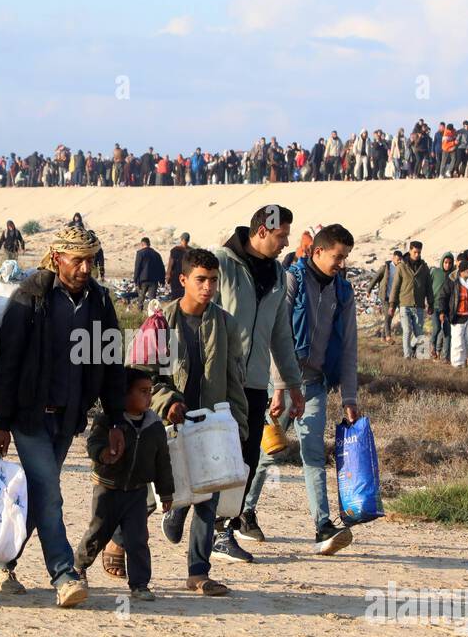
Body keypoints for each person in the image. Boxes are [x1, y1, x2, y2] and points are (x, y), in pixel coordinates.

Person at [0, 223, 126, 608]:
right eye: (77, 260)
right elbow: (7, 364)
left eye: (90, 261)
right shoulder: (30, 296)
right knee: (50, 495)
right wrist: (0, 422)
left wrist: (115, 419)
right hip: (28, 417)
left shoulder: (99, 301)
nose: (84, 269)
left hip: (68, 419)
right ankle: (64, 575)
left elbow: (111, 362)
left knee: (37, 494)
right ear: (57, 257)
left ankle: (1, 563)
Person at [136, 247, 247, 595]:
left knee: (208, 497)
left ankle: (198, 572)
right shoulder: (160, 321)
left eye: (213, 280)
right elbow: (143, 375)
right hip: (165, 425)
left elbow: (233, 380)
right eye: (201, 279)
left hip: (210, 425)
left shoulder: (225, 324)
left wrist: (238, 427)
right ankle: (119, 542)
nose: (208, 287)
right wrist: (167, 401)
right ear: (183, 280)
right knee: (149, 497)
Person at [242, 225, 359, 553]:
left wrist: (350, 397)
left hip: (314, 384)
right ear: (318, 252)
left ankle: (322, 526)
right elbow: (276, 336)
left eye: (345, 257)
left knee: (313, 454)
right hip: (278, 381)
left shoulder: (343, 292)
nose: (341, 263)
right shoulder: (290, 280)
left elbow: (349, 346)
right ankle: (244, 513)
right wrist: (280, 387)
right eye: (337, 256)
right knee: (269, 451)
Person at [212, 204, 304, 562]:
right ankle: (176, 507)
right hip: (217, 379)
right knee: (206, 453)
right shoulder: (221, 264)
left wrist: (289, 384)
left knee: (245, 460)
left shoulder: (279, 276)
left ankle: (223, 531)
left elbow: (280, 334)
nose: (285, 242)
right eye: (281, 235)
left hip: (253, 385)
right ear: (262, 231)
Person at [74, 369, 173, 601]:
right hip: (107, 489)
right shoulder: (107, 420)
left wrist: (166, 492)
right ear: (123, 394)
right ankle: (78, 567)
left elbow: (163, 462)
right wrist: (103, 454)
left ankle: (139, 584)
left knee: (138, 539)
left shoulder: (155, 426)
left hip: (137, 492)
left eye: (150, 392)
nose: (148, 397)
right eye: (142, 392)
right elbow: (93, 443)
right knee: (97, 533)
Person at [438, 257, 468, 369]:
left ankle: (464, 358)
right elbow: (443, 296)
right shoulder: (452, 281)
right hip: (457, 317)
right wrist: (442, 311)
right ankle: (457, 366)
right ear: (462, 271)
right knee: (457, 342)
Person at [390, 240, 433, 359]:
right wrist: (392, 305)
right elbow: (395, 286)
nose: (417, 255)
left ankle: (420, 355)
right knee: (407, 330)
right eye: (415, 252)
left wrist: (431, 303)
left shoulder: (424, 267)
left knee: (419, 334)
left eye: (419, 252)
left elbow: (429, 286)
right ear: (410, 251)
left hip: (419, 305)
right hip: (405, 304)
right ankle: (407, 356)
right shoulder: (402, 266)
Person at [370, 249, 402, 343]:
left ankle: (383, 337)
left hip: (395, 297)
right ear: (393, 258)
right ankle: (388, 337)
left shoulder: (400, 269)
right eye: (397, 259)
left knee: (390, 316)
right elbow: (375, 278)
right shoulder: (385, 267)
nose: (399, 261)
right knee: (388, 315)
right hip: (385, 296)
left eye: (400, 259)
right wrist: (369, 290)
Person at [429, 252, 455, 360]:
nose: (447, 265)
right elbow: (428, 286)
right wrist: (429, 302)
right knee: (437, 327)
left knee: (447, 332)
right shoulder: (435, 272)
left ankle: (446, 357)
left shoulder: (453, 276)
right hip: (435, 306)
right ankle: (432, 346)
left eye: (450, 263)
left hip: (448, 308)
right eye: (445, 262)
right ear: (442, 262)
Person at [132, 236, 164, 308]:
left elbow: (137, 267)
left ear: (142, 244)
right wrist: (162, 280)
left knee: (141, 299)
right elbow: (161, 268)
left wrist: (135, 279)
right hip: (154, 280)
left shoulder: (140, 253)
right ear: (149, 244)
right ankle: (153, 316)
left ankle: (139, 313)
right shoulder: (156, 254)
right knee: (152, 300)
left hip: (143, 280)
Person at [166, 232, 190, 299]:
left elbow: (170, 264)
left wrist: (168, 275)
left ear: (181, 239)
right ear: (188, 240)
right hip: (187, 277)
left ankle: (177, 308)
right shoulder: (191, 251)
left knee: (176, 297)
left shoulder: (175, 250)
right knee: (185, 296)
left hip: (176, 277)